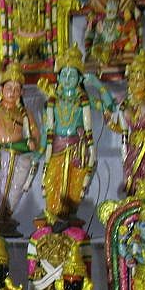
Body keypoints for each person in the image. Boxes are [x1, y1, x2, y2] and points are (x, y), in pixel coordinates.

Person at [90, 50, 145, 196]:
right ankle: (135, 208)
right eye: (131, 79)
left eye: (138, 80)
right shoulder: (125, 103)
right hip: (132, 146)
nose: (134, 84)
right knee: (132, 182)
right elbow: (122, 129)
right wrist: (110, 122)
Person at [0, 63, 40, 234]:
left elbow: (35, 134)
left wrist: (34, 141)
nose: (12, 93)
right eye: (9, 88)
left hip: (19, 156)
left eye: (16, 89)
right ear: (1, 90)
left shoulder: (25, 114)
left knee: (16, 188)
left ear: (22, 93)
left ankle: (5, 217)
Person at [41, 45, 95, 222]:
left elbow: (88, 127)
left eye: (72, 75)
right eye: (64, 74)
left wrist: (91, 150)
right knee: (53, 181)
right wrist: (45, 154)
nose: (67, 78)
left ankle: (68, 214)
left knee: (74, 182)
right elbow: (49, 128)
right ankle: (54, 213)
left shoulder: (83, 100)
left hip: (76, 146)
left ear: (80, 78)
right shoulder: (52, 100)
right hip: (56, 145)